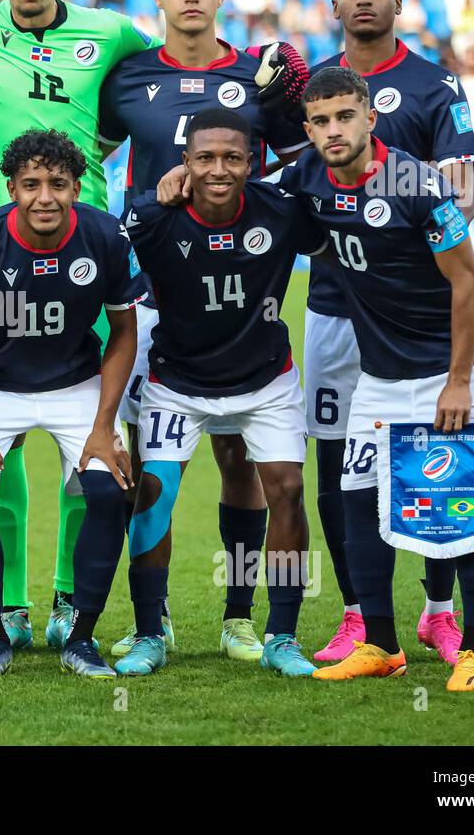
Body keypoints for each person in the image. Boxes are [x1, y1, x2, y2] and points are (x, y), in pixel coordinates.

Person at [0, 0, 154, 649]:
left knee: (84, 436)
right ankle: (10, 606)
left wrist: (99, 148)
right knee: (1, 434)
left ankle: (67, 598)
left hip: (89, 244)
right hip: (0, 239)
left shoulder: (112, 31)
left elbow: (159, 82)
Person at [97, 0, 311, 661]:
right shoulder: (127, 78)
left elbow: (297, 163)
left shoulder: (259, 77)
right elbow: (85, 154)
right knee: (151, 473)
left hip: (243, 286)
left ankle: (243, 618)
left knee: (241, 463)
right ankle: (150, 625)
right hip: (153, 286)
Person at [281, 68, 474, 692]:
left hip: (462, 362)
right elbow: (242, 192)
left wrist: (457, 382)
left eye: (345, 116)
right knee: (358, 494)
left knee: (457, 504)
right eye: (321, 121)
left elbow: (467, 281)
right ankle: (380, 642)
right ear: (308, 129)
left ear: (369, 118)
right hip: (381, 370)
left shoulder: (417, 182)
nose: (334, 130)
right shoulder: (306, 180)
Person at [303, 0, 474, 664]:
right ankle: (357, 616)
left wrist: (465, 257)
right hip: (333, 303)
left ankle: (437, 611)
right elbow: (291, 182)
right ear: (335, 4)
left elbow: (459, 188)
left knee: (427, 459)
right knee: (335, 464)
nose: (364, 0)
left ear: (399, 1)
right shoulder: (317, 88)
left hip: (413, 308)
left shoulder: (434, 84)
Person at [120, 109, 324, 678]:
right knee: (154, 491)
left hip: (265, 379)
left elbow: (346, 228)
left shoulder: (282, 211)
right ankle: (148, 633)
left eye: (232, 157)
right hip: (177, 382)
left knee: (286, 488)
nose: (219, 169)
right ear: (184, 163)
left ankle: (277, 634)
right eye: (205, 157)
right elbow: (97, 270)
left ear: (251, 162)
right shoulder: (149, 219)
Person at [0, 130, 146, 678]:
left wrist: (105, 424)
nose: (45, 197)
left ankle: (81, 637)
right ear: (10, 188)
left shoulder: (105, 235)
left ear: (78, 187)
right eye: (30, 185)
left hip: (75, 384)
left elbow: (124, 333)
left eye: (58, 184)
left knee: (107, 490)